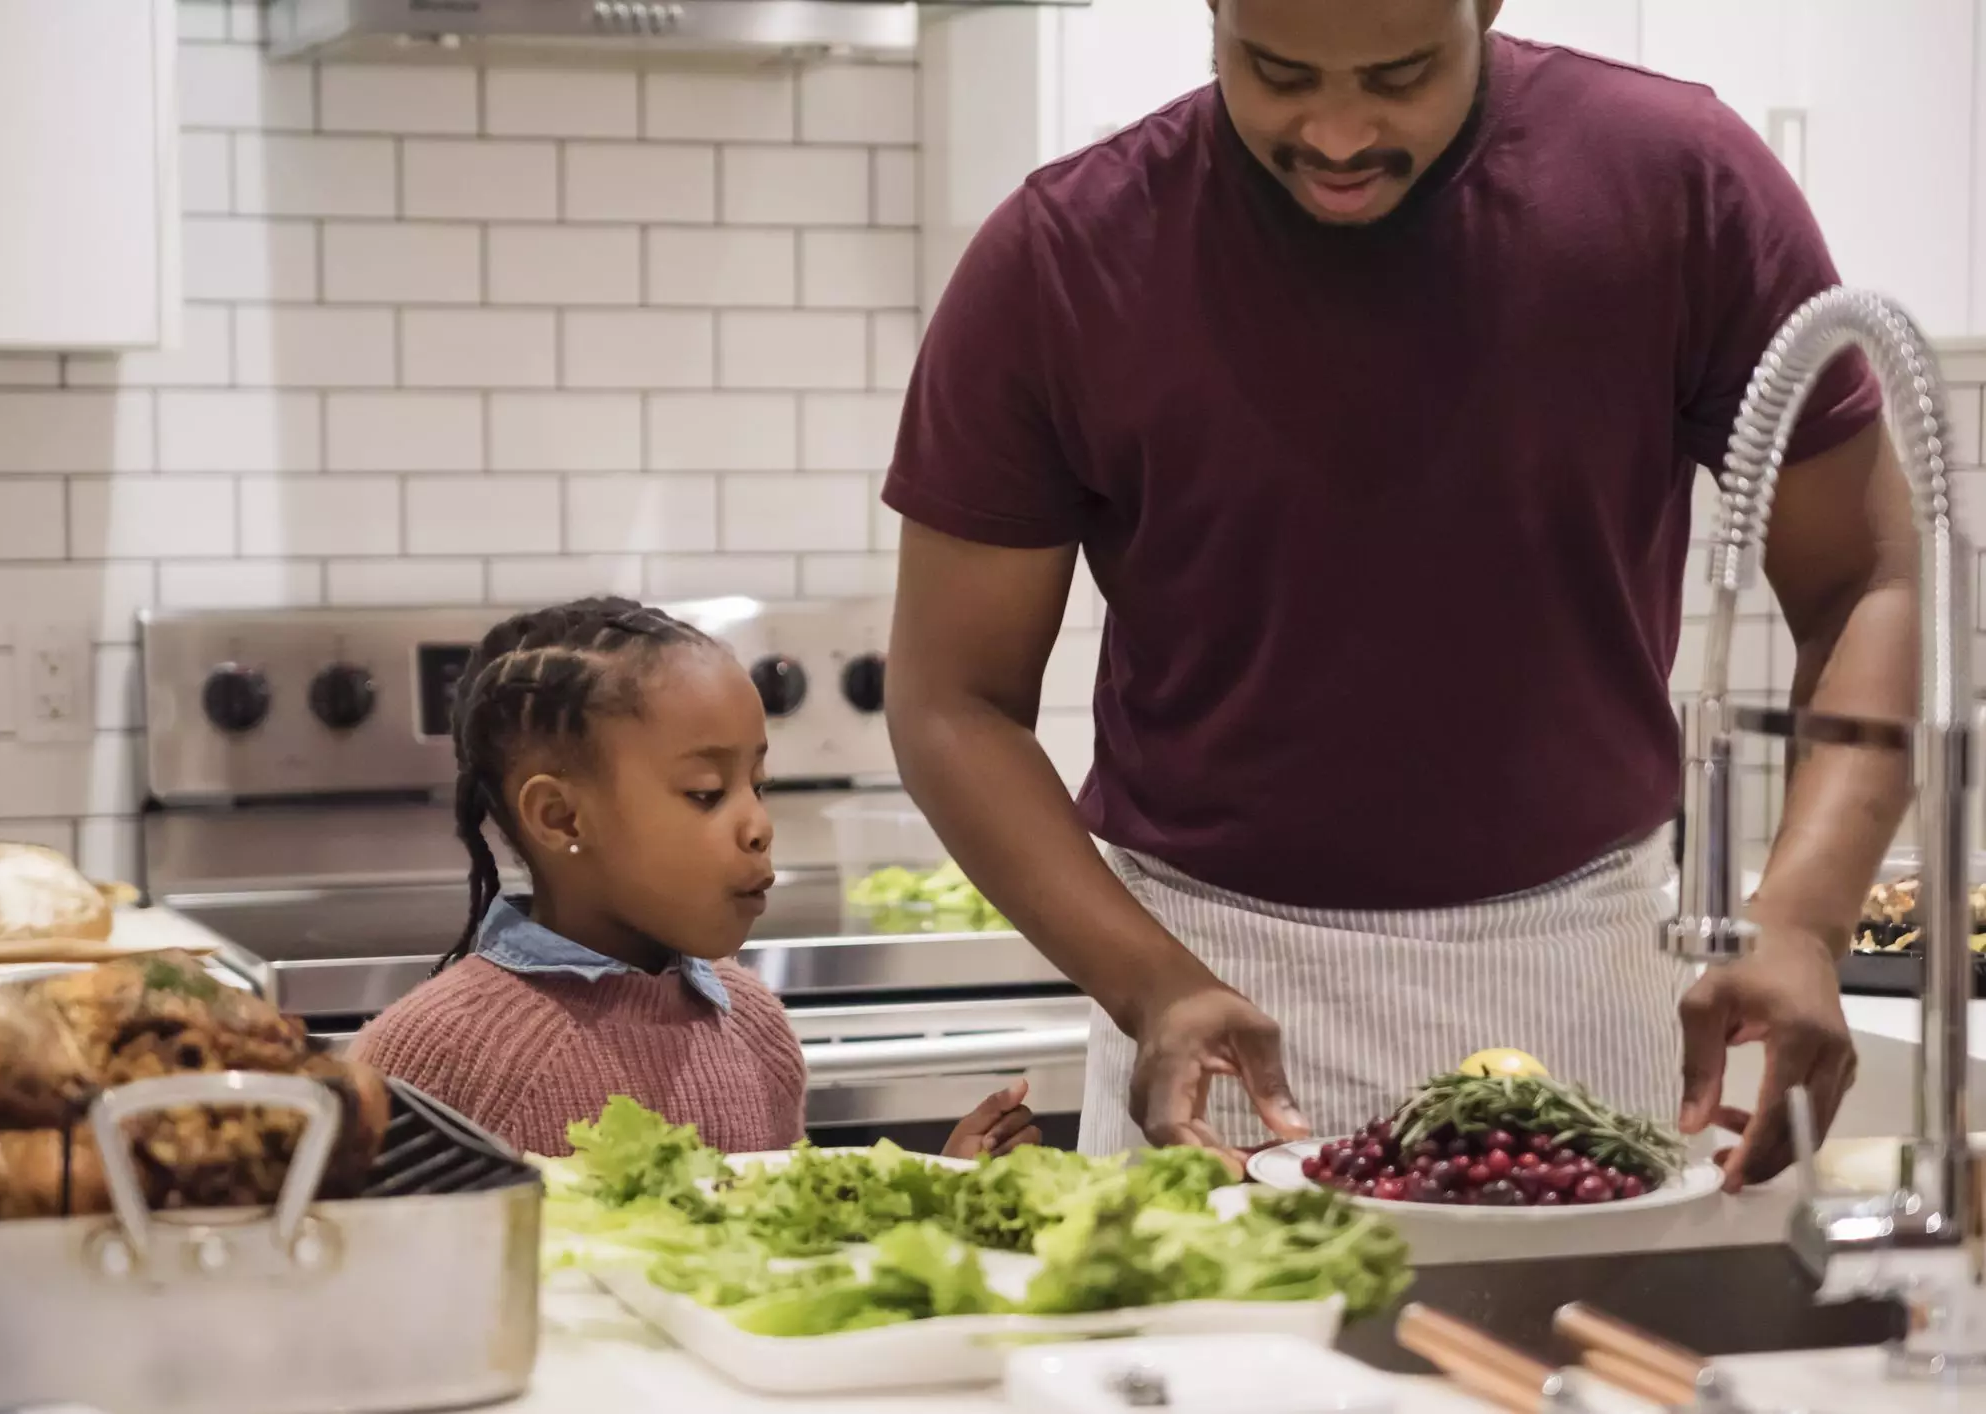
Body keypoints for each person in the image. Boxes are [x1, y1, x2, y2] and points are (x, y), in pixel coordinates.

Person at [880, 0, 1911, 1190]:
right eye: (1273, 71)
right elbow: (954, 701)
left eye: (1399, 74)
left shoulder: (1679, 187)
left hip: (1583, 963)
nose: (1333, 132)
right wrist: (1143, 979)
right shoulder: (1062, 255)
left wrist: (1803, 919)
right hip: (1200, 975)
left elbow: (1863, 577)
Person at [355, 597, 1043, 1160]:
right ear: (561, 817)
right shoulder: (435, 1057)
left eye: (759, 785)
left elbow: (773, 1258)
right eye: (707, 793)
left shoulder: (753, 1025)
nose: (758, 826)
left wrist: (944, 1181)